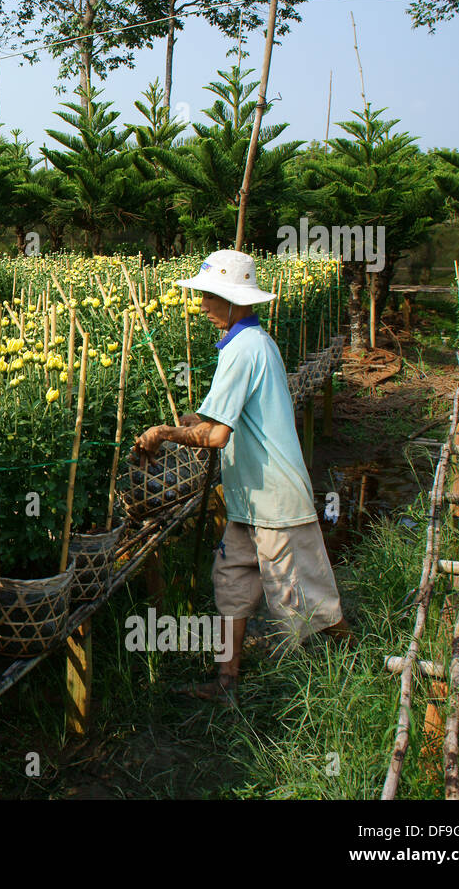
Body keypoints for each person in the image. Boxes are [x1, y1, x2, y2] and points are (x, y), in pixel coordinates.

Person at [134, 249, 354, 702]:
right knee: (232, 582)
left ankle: (350, 673)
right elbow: (213, 417)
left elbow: (215, 436)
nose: (201, 305)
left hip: (274, 498)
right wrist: (185, 425)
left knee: (302, 595)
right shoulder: (249, 343)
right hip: (247, 498)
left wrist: (164, 433)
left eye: (209, 296)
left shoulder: (244, 349)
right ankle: (226, 682)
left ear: (234, 300)